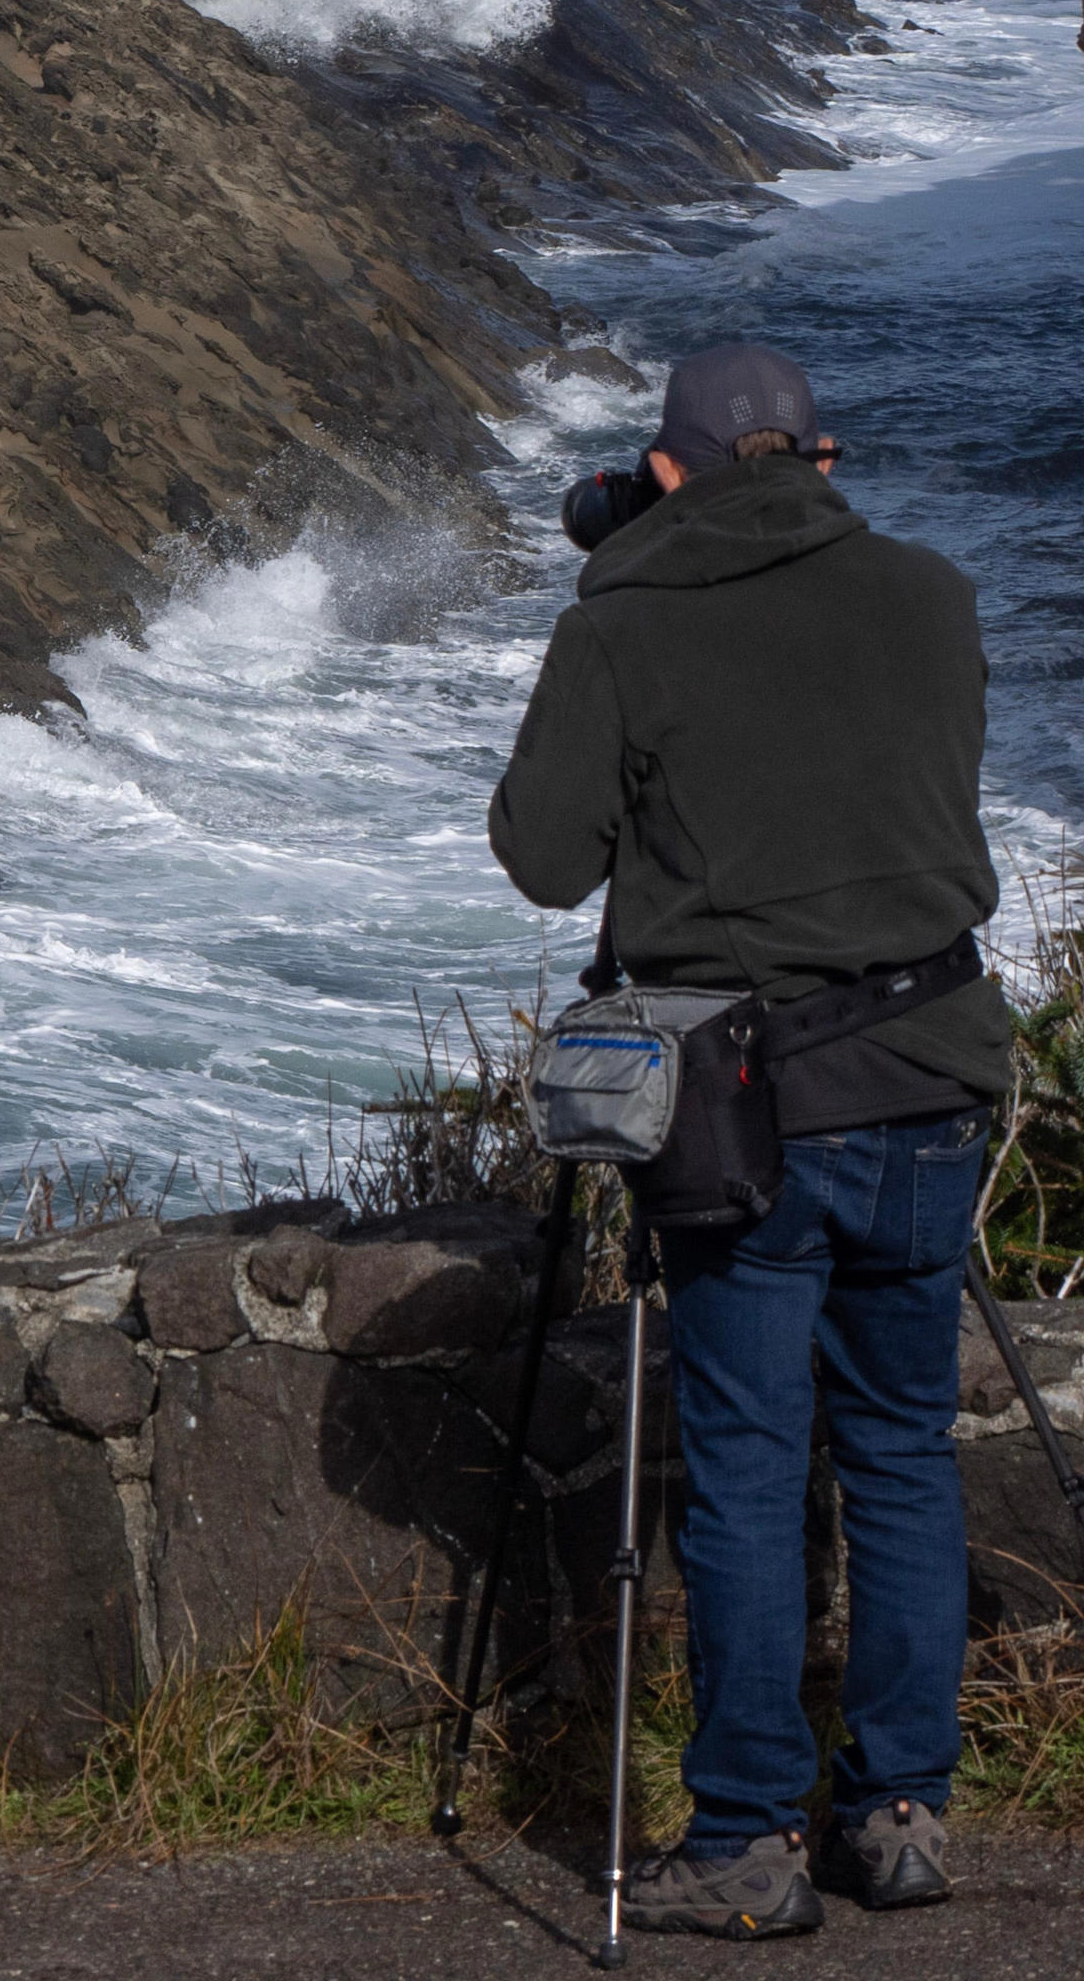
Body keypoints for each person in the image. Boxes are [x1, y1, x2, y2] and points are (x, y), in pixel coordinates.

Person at [491, 342, 1009, 1937]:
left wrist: (619, 596)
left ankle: (748, 1840)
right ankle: (902, 1816)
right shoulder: (930, 595)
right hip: (929, 1073)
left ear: (665, 473)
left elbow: (543, 859)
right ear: (820, 459)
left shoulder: (622, 619)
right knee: (903, 1453)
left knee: (745, 1467)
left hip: (748, 1113)